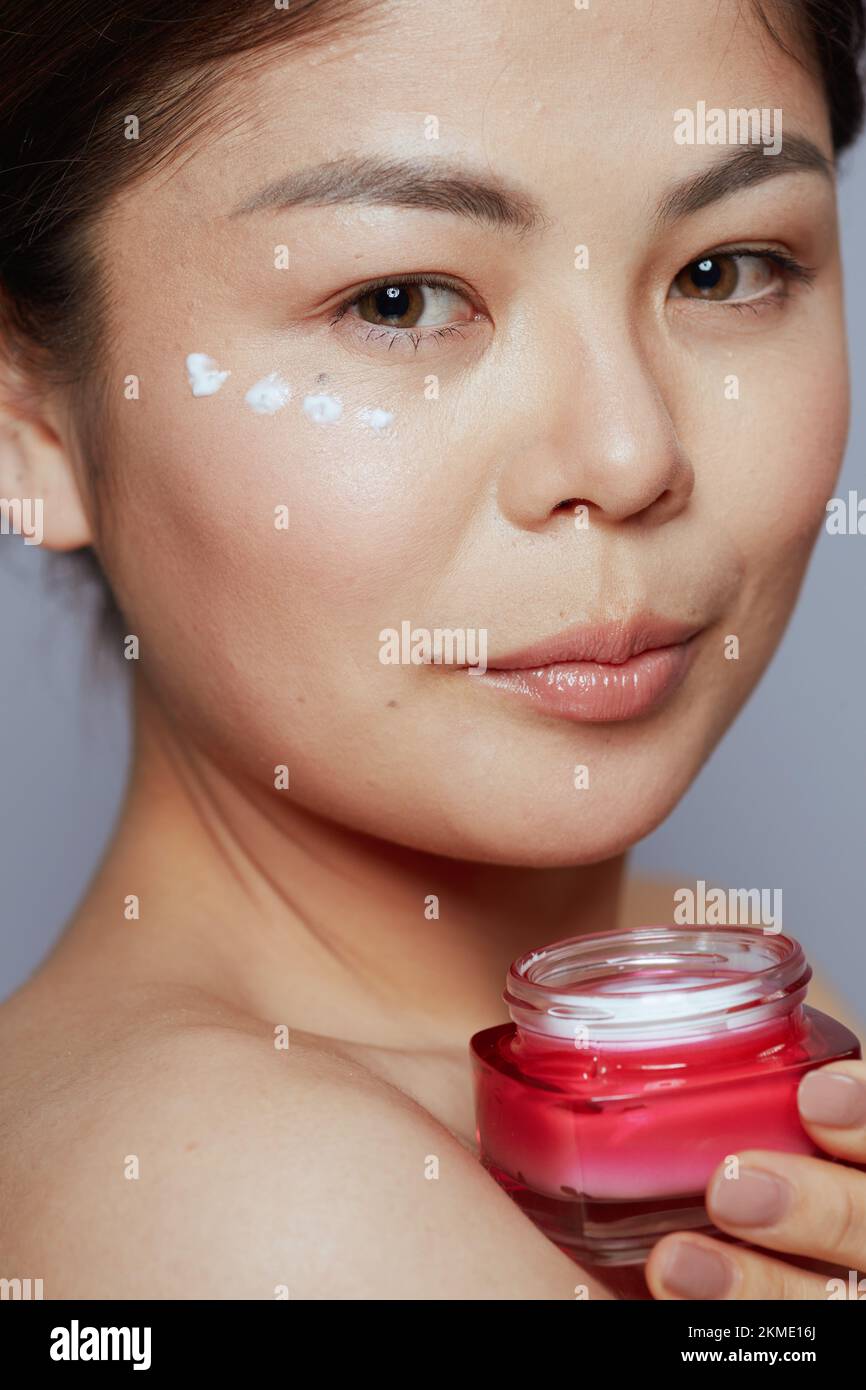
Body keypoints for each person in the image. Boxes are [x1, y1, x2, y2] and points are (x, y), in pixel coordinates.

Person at [1, 0, 864, 1300]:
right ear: (32, 426)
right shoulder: (264, 1210)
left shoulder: (697, 991)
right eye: (398, 300)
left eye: (724, 268)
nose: (628, 456)